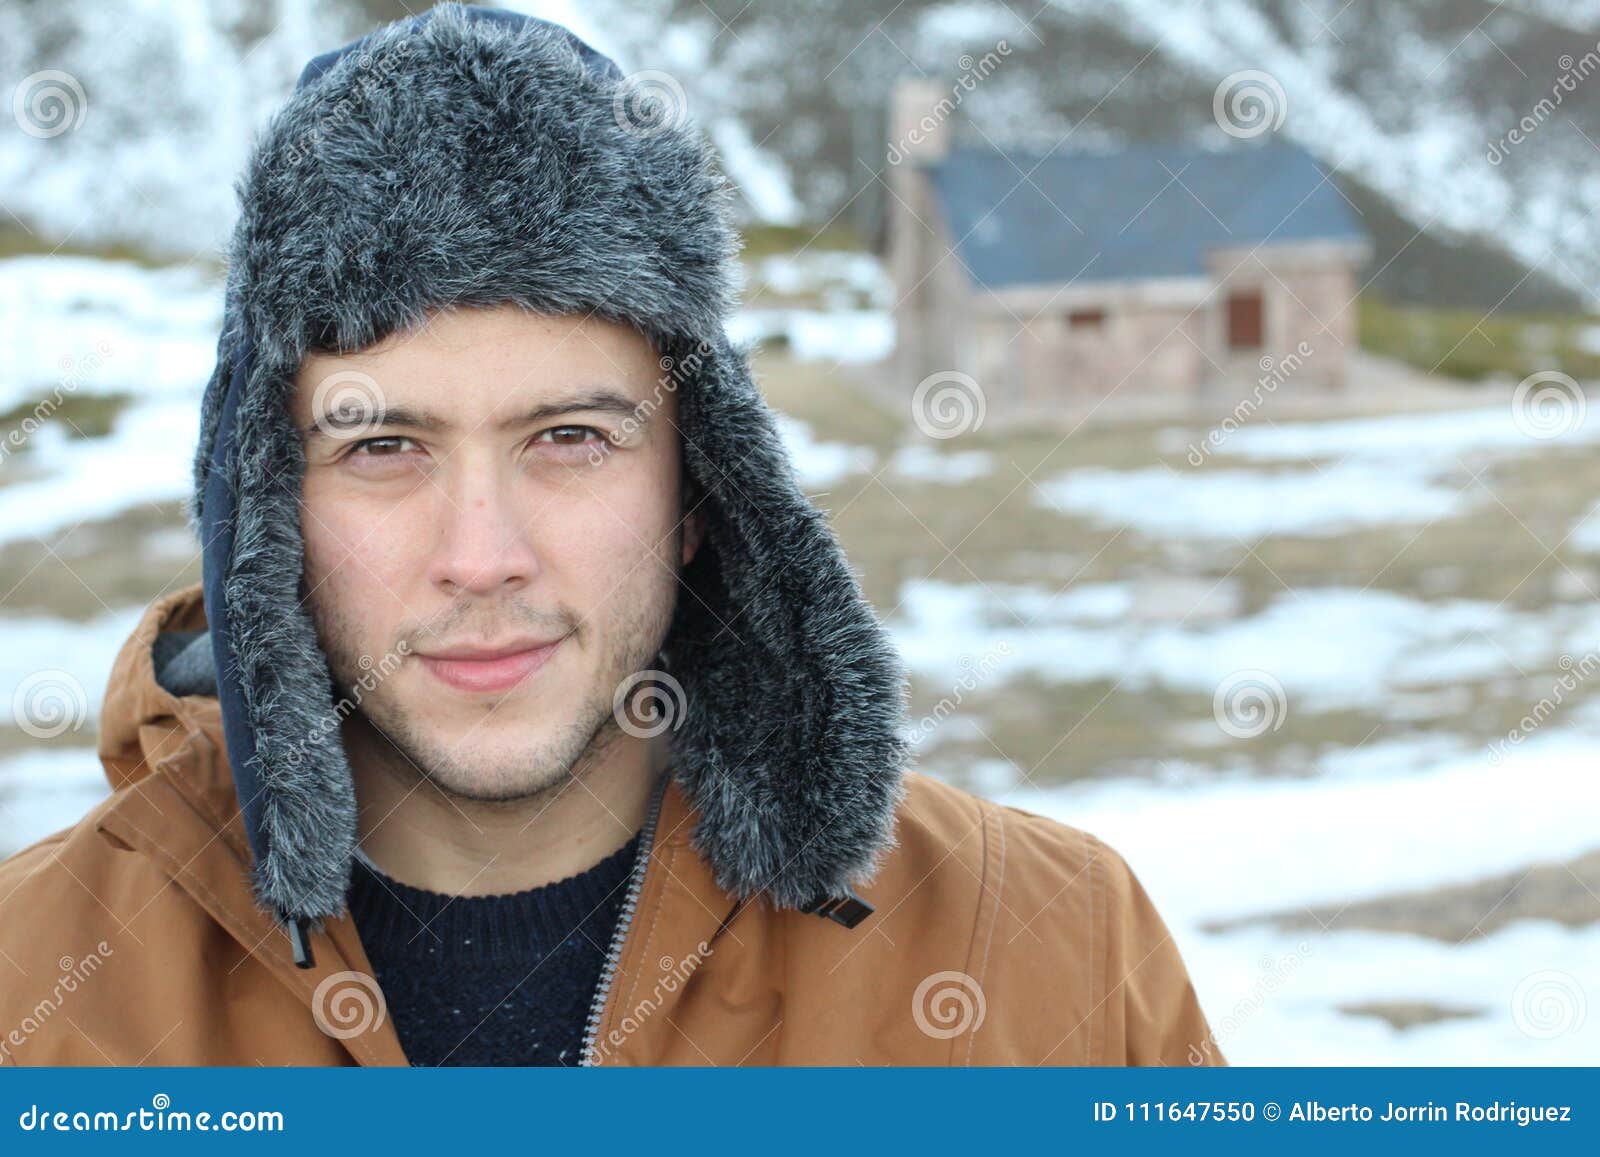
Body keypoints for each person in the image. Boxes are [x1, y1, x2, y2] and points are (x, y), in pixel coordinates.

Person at [0, 3, 1222, 1067]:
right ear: (268, 511)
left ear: (700, 488)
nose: (482, 556)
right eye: (382, 448)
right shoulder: (37, 994)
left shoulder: (1048, 953)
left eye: (572, 437)